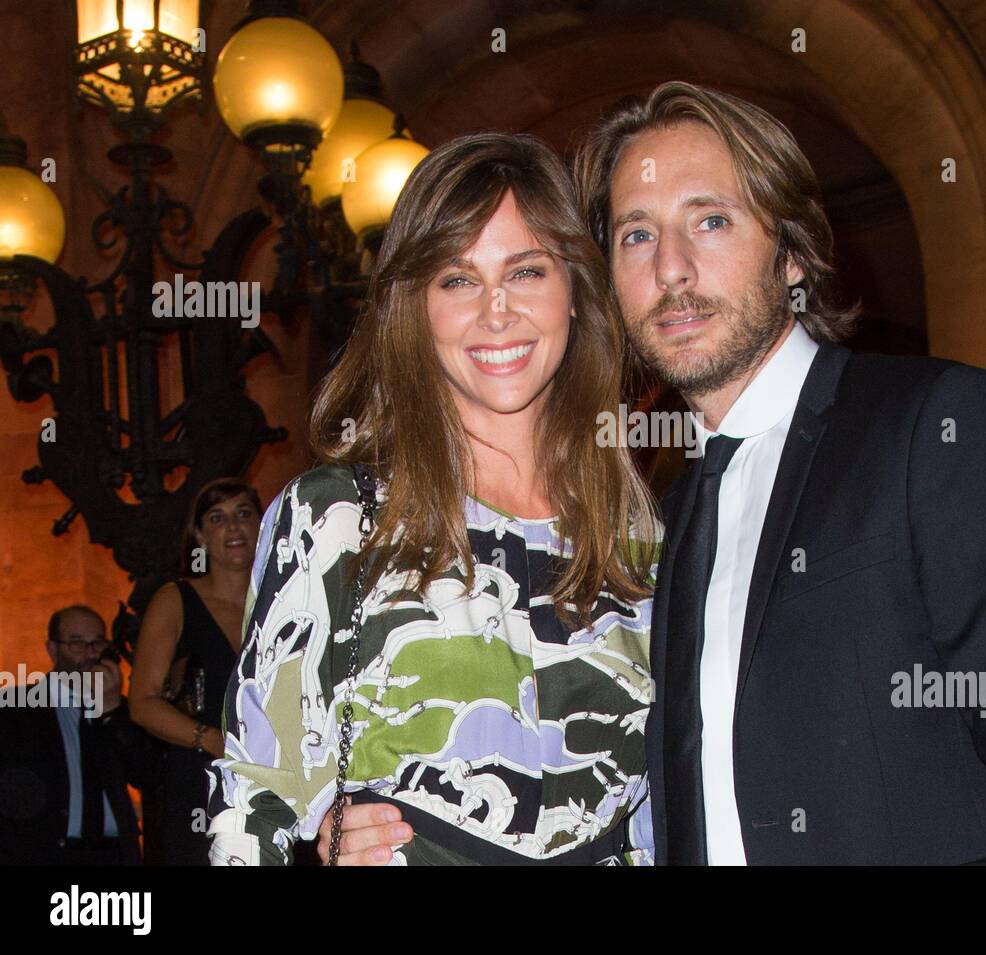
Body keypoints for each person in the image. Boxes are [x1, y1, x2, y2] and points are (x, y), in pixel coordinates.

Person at [334, 80, 986, 865]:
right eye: (637, 235)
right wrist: (374, 822)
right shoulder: (656, 522)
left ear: (792, 254)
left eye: (710, 220)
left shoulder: (933, 427)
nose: (672, 269)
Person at [207, 131, 660, 865]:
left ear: (575, 290)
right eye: (457, 279)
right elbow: (252, 800)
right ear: (413, 310)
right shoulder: (336, 520)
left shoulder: (639, 538)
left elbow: (664, 809)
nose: (497, 310)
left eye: (527, 270)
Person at [128, 478, 261, 864]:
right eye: (217, 518)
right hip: (198, 781)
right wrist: (212, 739)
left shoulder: (287, 596)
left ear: (262, 526)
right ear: (200, 536)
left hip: (277, 779)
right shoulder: (176, 599)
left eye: (244, 514)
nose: (233, 527)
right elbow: (142, 702)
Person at [0, 605, 156, 864]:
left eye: (97, 642)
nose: (90, 653)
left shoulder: (120, 709)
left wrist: (113, 710)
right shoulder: (14, 707)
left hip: (112, 855)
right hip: (42, 854)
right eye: (76, 644)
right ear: (52, 649)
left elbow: (147, 774)